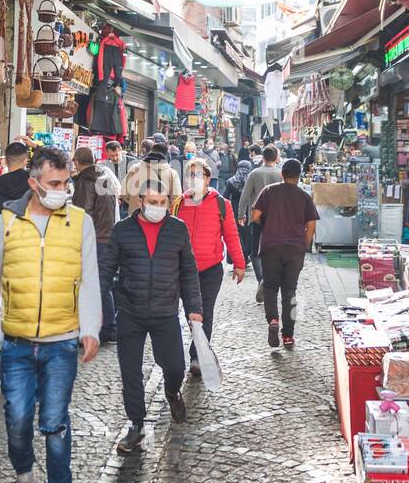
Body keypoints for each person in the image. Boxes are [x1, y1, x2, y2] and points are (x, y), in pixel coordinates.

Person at [0, 147, 101, 483]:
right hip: (16, 342)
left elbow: (88, 280)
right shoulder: (6, 221)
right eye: (55, 183)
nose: (63, 190)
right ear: (33, 183)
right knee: (16, 421)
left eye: (66, 183)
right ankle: (24, 474)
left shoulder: (79, 221)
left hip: (61, 342)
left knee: (54, 422)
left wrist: (90, 329)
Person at [101, 178, 203, 452]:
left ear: (168, 203)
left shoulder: (177, 230)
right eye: (152, 202)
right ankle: (136, 425)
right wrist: (98, 307)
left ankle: (172, 392)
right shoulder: (123, 230)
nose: (158, 208)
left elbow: (188, 272)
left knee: (174, 367)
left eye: (163, 203)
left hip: (165, 311)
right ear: (141, 202)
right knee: (130, 372)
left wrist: (194, 308)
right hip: (130, 312)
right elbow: (106, 270)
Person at [176, 158, 245, 380]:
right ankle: (198, 352)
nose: (194, 180)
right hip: (185, 271)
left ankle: (197, 357)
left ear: (207, 178)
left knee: (205, 313)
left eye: (199, 175)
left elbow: (231, 235)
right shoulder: (179, 203)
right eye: (191, 175)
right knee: (191, 315)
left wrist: (239, 263)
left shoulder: (221, 203)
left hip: (211, 269)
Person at [251, 159, 319, 350]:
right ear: (298, 177)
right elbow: (311, 226)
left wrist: (267, 226)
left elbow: (255, 216)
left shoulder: (269, 191)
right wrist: (302, 244)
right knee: (290, 291)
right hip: (294, 249)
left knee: (271, 288)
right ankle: (288, 336)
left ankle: (273, 320)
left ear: (282, 173)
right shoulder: (304, 196)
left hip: (271, 246)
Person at [72, 146, 120, 344]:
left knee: (98, 284)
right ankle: (108, 326)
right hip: (107, 235)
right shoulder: (103, 176)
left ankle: (108, 328)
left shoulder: (85, 181)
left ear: (77, 162)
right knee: (103, 283)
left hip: (95, 238)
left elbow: (83, 212)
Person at [237, 145, 283, 304]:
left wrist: (241, 215)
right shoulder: (280, 173)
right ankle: (270, 281)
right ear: (276, 157)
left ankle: (262, 280)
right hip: (277, 219)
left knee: (255, 252)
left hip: (257, 217)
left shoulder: (255, 173)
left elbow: (245, 195)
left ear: (263, 157)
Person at [0, 141, 32, 255]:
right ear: (25, 161)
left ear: (5, 161)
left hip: (1, 249)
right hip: (27, 250)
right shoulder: (34, 185)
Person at [124, 140, 183, 214]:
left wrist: (135, 202)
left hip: (136, 216)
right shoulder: (172, 173)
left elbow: (124, 193)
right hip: (161, 216)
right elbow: (176, 199)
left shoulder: (135, 169)